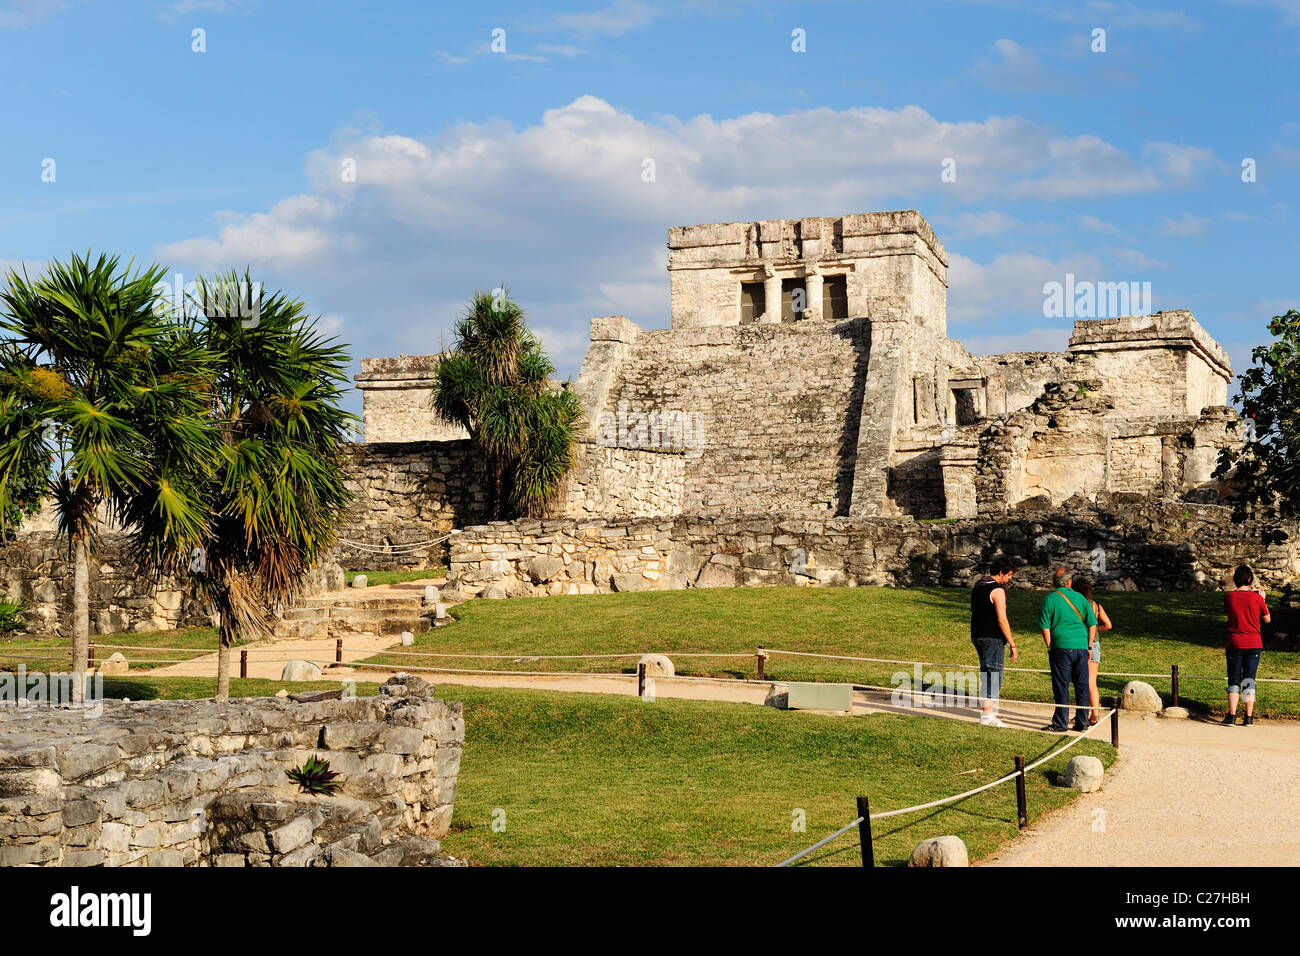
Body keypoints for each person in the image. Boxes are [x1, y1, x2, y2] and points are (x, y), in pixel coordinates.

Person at [1038, 567, 1097, 732]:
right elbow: (1092, 624)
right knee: (1082, 685)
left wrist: (1050, 645)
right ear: (1069, 581)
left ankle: (1060, 723)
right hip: (1080, 646)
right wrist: (1089, 645)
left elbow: (1045, 626)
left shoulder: (1049, 599)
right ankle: (1082, 722)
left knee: (1061, 686)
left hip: (1061, 647)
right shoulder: (1080, 598)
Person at [970, 557, 1018, 727]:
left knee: (986, 673)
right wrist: (1012, 643)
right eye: (1009, 575)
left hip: (977, 634)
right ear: (1001, 573)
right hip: (992, 636)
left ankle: (989, 711)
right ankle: (987, 715)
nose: (1010, 578)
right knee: (994, 674)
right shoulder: (997, 590)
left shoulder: (978, 585)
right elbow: (1002, 619)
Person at [1223, 565, 1270, 727]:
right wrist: (1262, 599)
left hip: (1234, 642)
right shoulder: (1257, 598)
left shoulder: (1229, 597)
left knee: (1234, 679)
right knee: (1249, 679)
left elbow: (1228, 613)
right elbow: (1267, 619)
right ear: (1250, 579)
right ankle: (1248, 717)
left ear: (1236, 579)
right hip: (1253, 642)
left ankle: (1231, 716)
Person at [1072, 577, 1112, 725]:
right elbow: (1108, 624)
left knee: (1079, 681)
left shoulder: (1075, 603)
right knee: (1091, 682)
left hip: (1079, 643)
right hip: (1094, 645)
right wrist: (1097, 631)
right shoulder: (1096, 605)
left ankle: (1081, 713)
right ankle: (1094, 714)